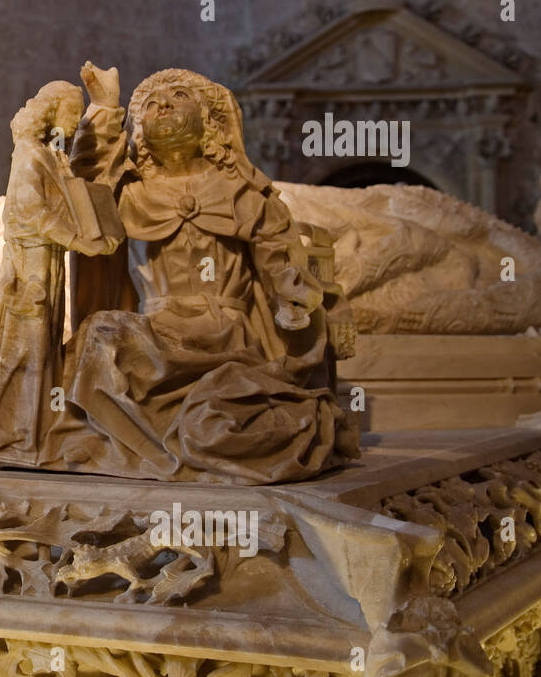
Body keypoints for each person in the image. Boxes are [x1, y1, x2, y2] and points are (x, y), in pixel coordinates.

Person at [47, 64, 359, 484]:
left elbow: (281, 264)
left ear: (211, 120)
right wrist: (104, 107)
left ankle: (174, 443)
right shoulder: (131, 194)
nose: (163, 108)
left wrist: (295, 305)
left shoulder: (243, 192)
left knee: (217, 423)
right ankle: (143, 450)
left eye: (178, 99)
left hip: (225, 338)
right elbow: (83, 188)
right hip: (155, 334)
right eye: (152, 105)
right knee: (98, 335)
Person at [0, 81, 121, 467]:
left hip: (46, 262)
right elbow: (28, 213)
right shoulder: (29, 155)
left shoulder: (47, 155)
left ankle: (32, 431)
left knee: (38, 346)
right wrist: (79, 239)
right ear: (52, 110)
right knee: (23, 349)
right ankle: (14, 436)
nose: (74, 123)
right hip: (30, 267)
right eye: (72, 113)